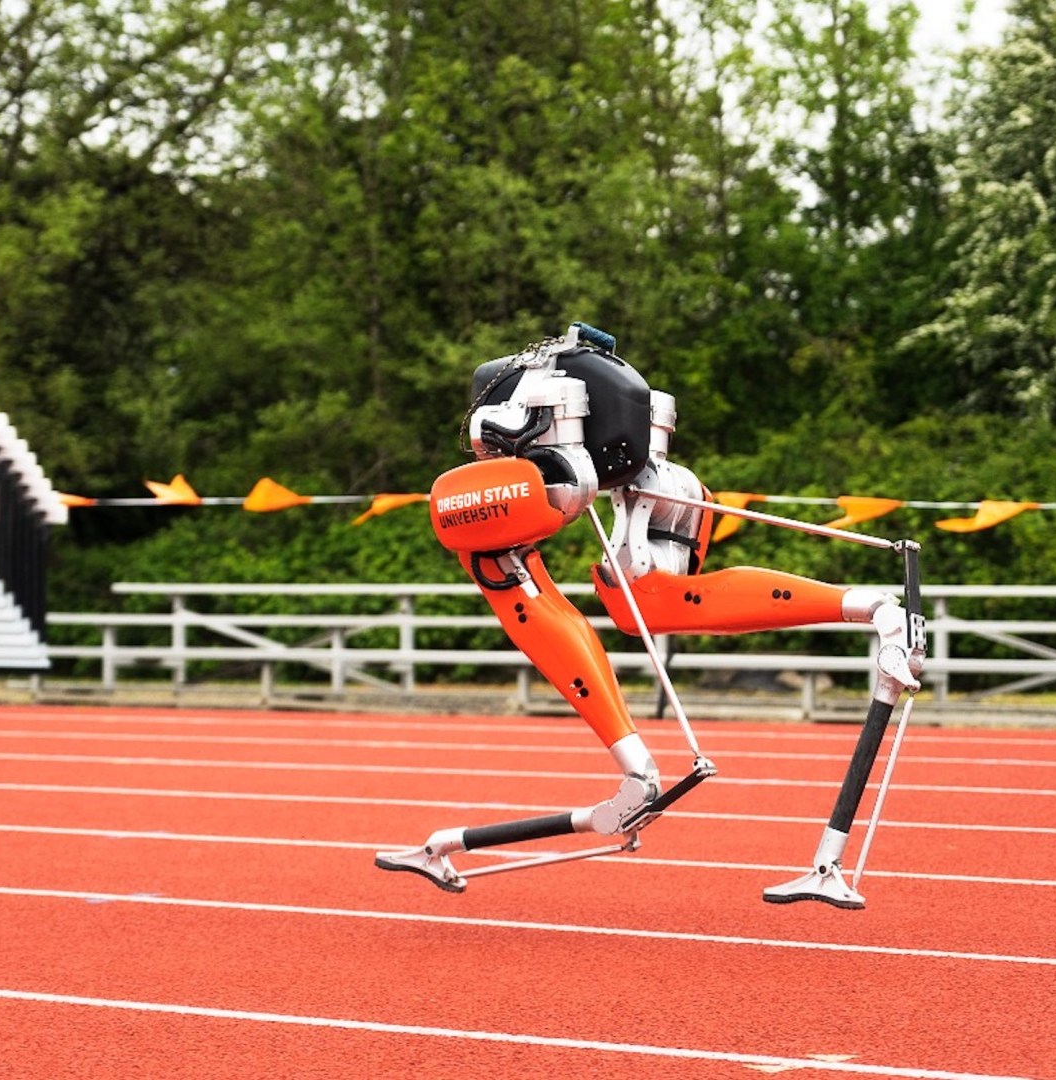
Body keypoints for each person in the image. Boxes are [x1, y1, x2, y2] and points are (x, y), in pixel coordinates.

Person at [376, 323, 924, 903]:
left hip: (575, 479)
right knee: (646, 602)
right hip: (661, 480)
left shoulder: (510, 439)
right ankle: (868, 605)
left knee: (515, 578)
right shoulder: (601, 420)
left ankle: (637, 770)